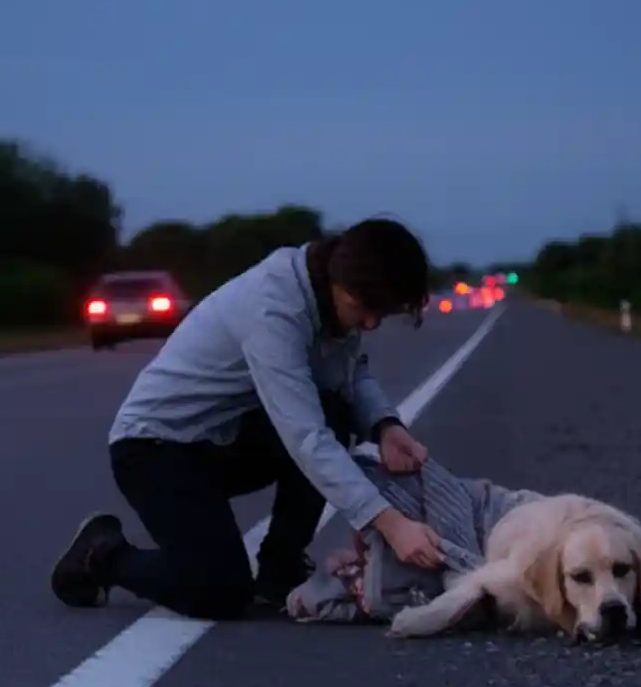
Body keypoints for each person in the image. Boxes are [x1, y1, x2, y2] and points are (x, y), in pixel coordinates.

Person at [51, 215, 445, 620]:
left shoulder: (329, 290)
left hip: (219, 440)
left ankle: (280, 571)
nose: (370, 323)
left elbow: (347, 374)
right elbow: (305, 438)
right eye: (364, 309)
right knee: (218, 591)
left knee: (334, 410)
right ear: (337, 279)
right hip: (155, 449)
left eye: (381, 313)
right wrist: (391, 524)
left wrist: (386, 426)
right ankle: (104, 554)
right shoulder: (273, 310)